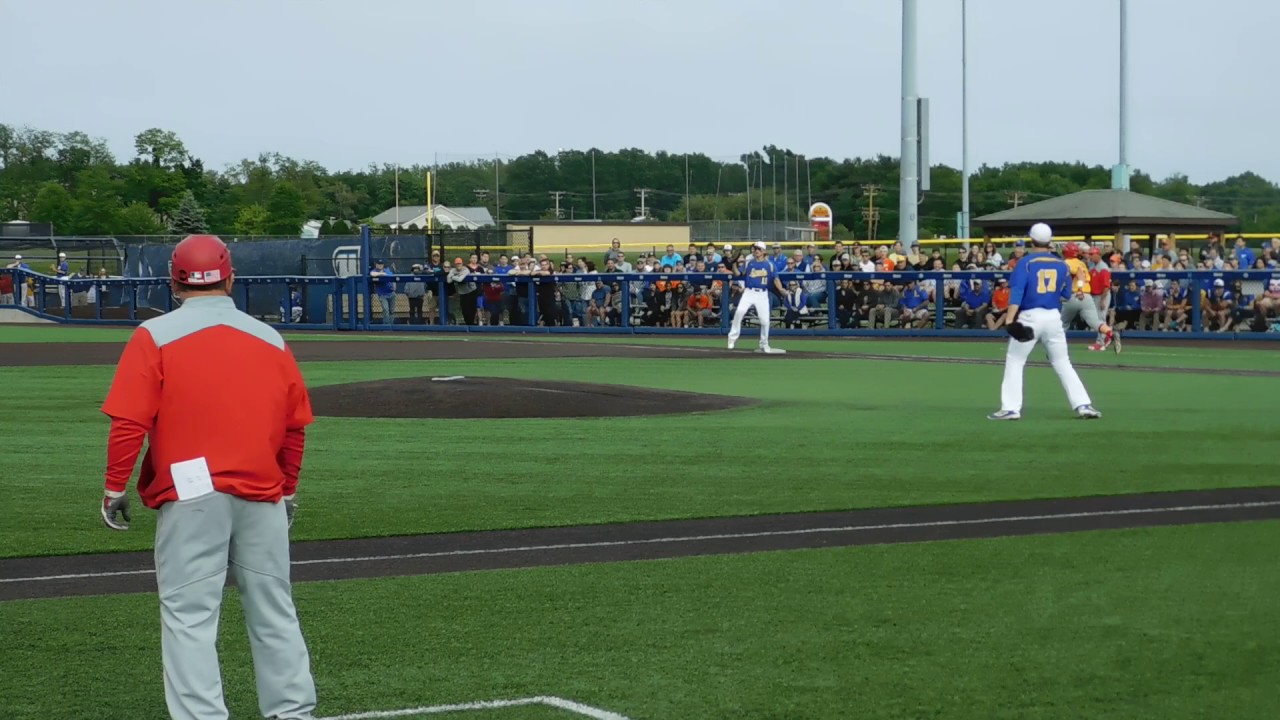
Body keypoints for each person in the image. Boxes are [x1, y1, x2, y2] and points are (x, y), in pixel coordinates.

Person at [99, 234, 319, 720]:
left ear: (173, 281)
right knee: (274, 612)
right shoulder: (270, 339)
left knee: (189, 617)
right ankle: (293, 712)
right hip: (262, 494)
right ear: (231, 277)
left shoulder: (153, 335)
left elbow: (129, 422)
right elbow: (294, 429)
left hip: (191, 497)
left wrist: (115, 486)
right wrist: (288, 490)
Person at [988, 223, 1101, 421]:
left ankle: (1011, 408)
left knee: (1015, 360)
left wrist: (1009, 319)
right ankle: (1083, 404)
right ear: (1050, 241)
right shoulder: (1061, 264)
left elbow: (1017, 292)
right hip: (1053, 318)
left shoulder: (1026, 262)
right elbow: (1066, 295)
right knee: (1062, 362)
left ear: (1031, 239)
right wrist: (1078, 282)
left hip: (1030, 316)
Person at [726, 241, 786, 353]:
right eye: (755, 249)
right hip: (749, 292)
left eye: (758, 249)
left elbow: (776, 278)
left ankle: (764, 343)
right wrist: (733, 264)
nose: (756, 251)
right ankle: (732, 339)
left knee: (765, 321)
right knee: (739, 312)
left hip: (762, 294)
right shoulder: (749, 262)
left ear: (764, 251)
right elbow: (738, 274)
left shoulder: (770, 265)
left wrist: (781, 289)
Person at [1059, 243, 1119, 352]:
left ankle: (1057, 348)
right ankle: (1110, 332)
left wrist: (1080, 289)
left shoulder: (1067, 263)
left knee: (1062, 324)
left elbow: (1080, 275)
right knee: (1095, 322)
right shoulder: (1083, 263)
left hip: (1076, 295)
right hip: (1088, 297)